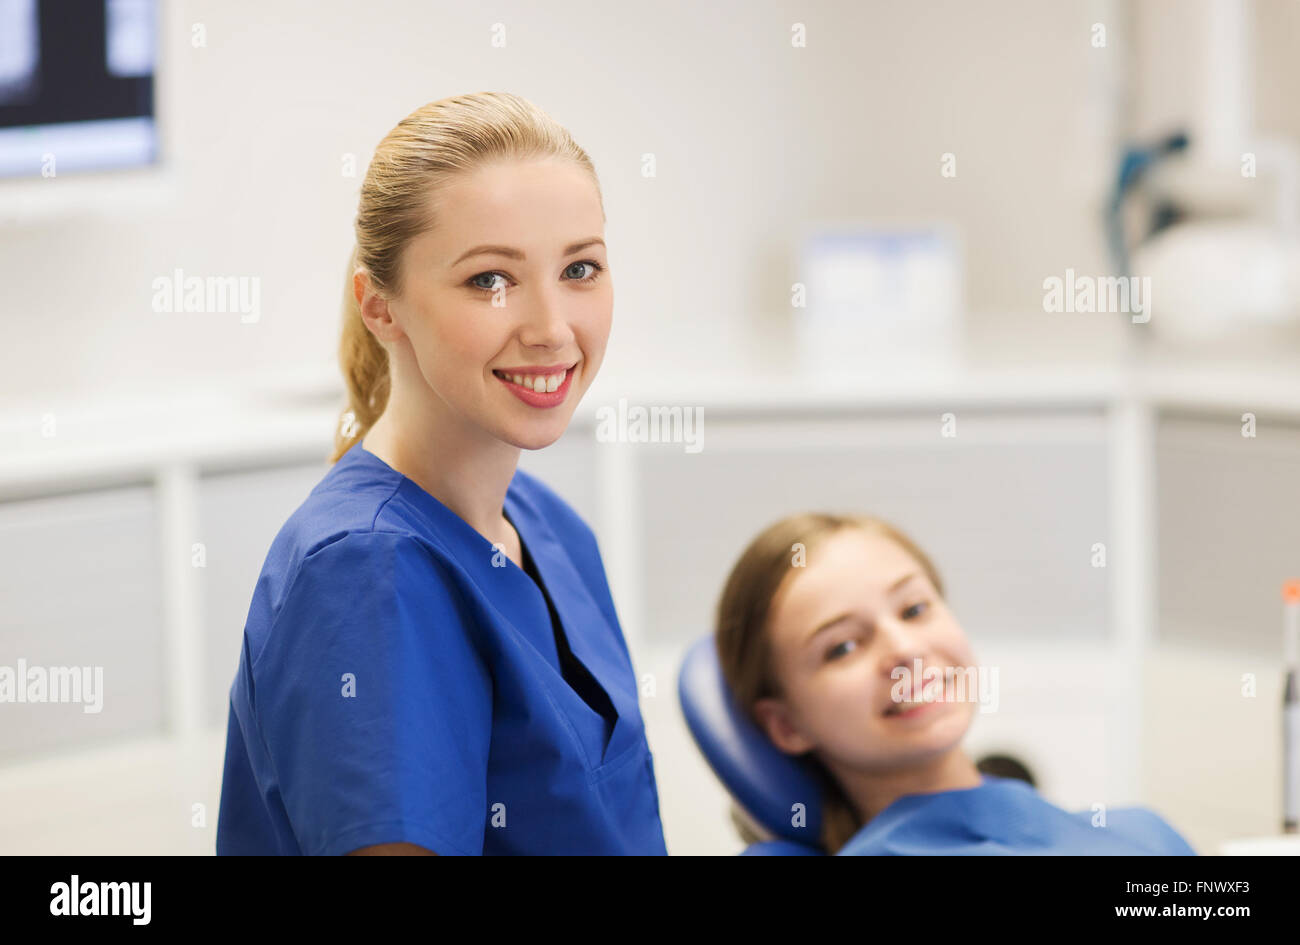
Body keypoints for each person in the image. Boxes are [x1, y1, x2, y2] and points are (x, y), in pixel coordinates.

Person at [216, 92, 666, 855]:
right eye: (490, 279)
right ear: (380, 306)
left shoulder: (547, 524)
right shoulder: (367, 576)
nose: (552, 328)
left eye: (580, 267)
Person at [713, 512, 1196, 855]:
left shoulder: (1141, 832)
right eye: (843, 647)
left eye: (914, 609)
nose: (904, 650)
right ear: (786, 725)